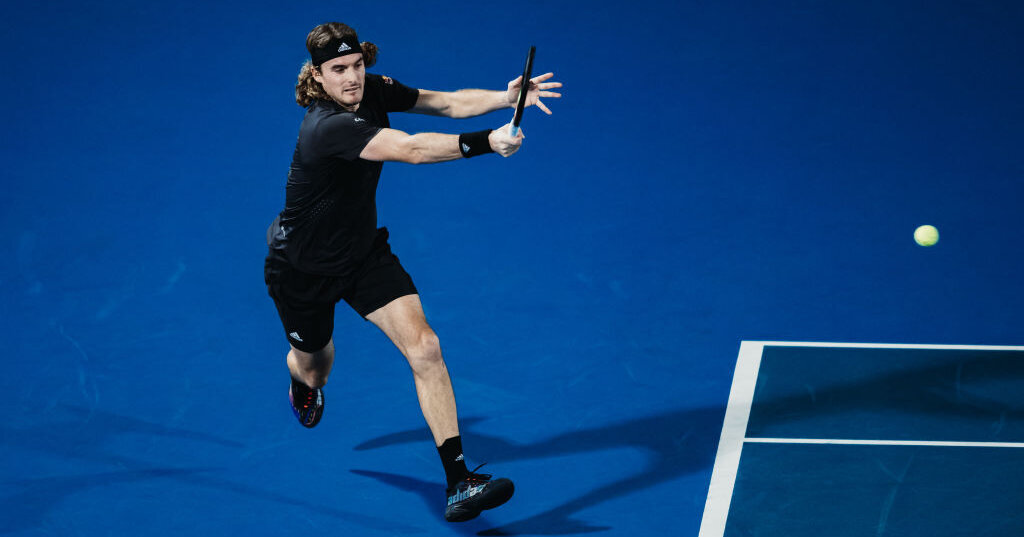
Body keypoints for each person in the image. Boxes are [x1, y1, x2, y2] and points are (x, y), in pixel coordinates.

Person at [263, 22, 561, 522]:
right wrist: (489, 141)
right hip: (301, 270)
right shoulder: (326, 127)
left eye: (357, 65)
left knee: (425, 347)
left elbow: (441, 104)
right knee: (316, 364)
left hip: (361, 256)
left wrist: (504, 97)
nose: (353, 78)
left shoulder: (374, 90)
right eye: (339, 70)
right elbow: (413, 149)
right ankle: (300, 376)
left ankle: (460, 482)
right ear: (318, 76)